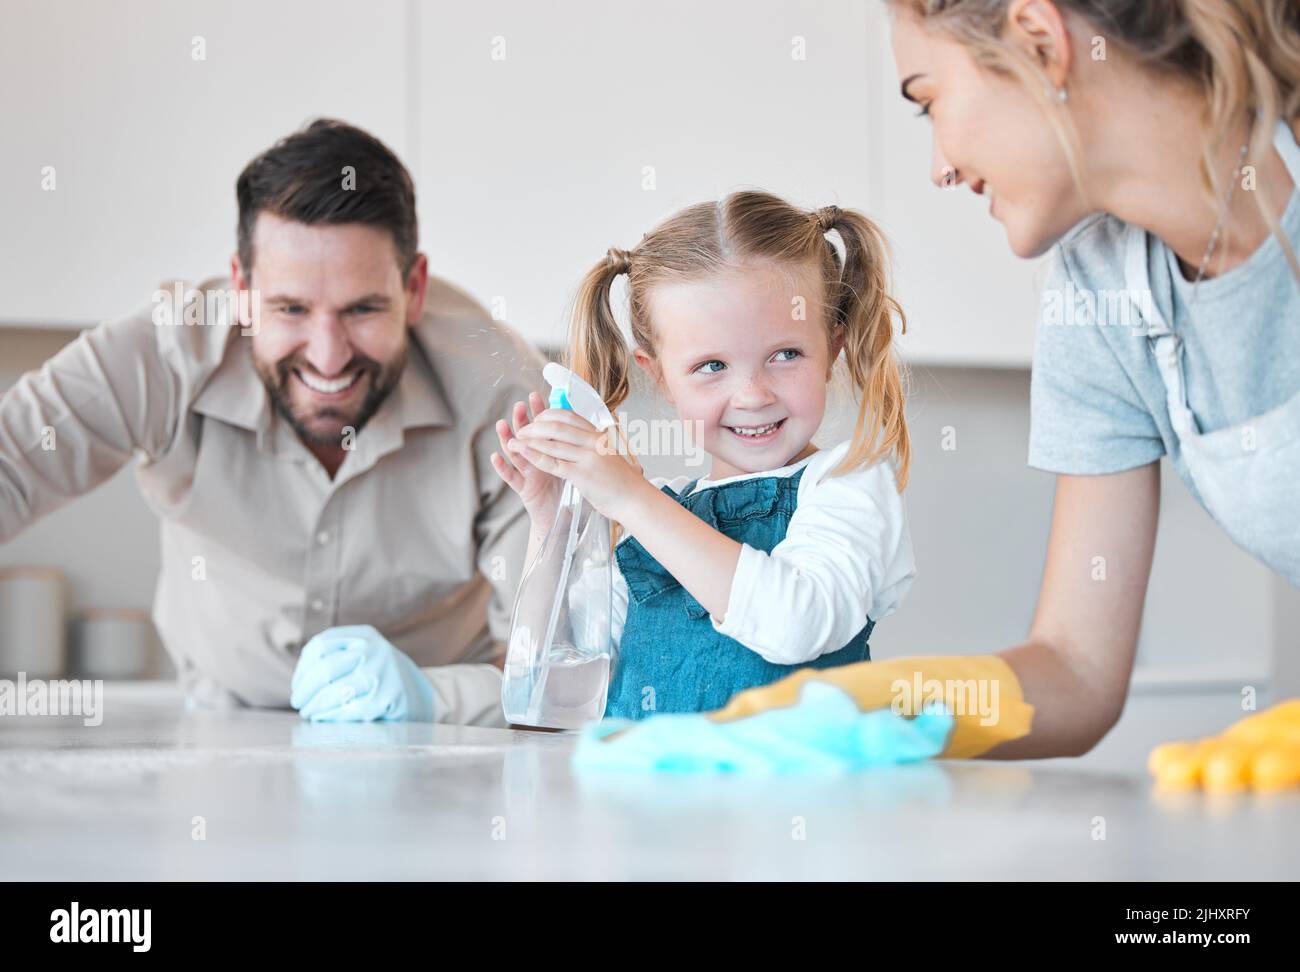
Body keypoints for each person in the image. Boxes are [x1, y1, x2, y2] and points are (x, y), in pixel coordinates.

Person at [581, 0, 1300, 780]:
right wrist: (885, 702)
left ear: (1039, 39)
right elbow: (1076, 673)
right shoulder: (1094, 292)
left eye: (929, 101)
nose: (940, 166)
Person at [0, 119, 544, 725]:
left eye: (362, 309)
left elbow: (555, 669)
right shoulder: (167, 355)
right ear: (241, 287)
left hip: (441, 741)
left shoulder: (505, 394)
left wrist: (429, 697)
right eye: (290, 309)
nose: (328, 355)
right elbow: (11, 461)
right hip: (218, 731)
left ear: (413, 289)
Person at [491, 191, 916, 719]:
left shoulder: (847, 484)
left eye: (786, 354)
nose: (753, 394)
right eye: (712, 366)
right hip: (643, 799)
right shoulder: (655, 517)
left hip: (796, 801)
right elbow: (554, 690)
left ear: (833, 349)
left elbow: (796, 624)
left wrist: (631, 499)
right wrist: (554, 522)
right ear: (660, 377)